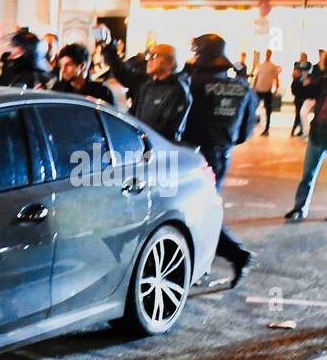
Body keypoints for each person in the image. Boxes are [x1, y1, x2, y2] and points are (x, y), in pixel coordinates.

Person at [184, 34, 257, 285]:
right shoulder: (243, 88)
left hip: (195, 154)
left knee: (195, 209)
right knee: (202, 208)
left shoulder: (194, 84)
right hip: (222, 153)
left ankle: (235, 254)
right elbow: (246, 129)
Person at [97, 32, 192, 141]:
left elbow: (168, 130)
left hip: (159, 149)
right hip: (140, 144)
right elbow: (121, 72)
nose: (148, 60)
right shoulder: (147, 82)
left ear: (170, 63)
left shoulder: (178, 90)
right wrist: (108, 47)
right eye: (148, 55)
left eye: (154, 56)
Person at [285, 65, 327, 220]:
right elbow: (302, 91)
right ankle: (300, 208)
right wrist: (298, 78)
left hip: (319, 134)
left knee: (308, 175)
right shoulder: (323, 82)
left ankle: (300, 208)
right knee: (307, 175)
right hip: (318, 135)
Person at [51, 43, 115, 105]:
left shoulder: (101, 92)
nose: (63, 70)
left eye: (68, 65)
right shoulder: (57, 90)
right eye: (61, 66)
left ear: (82, 66)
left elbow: (111, 114)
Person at [251, 49, 281, 136]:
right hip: (258, 89)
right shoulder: (260, 65)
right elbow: (257, 76)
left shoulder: (273, 66)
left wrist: (276, 89)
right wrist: (253, 86)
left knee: (268, 109)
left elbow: (276, 78)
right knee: (253, 107)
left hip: (267, 90)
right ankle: (250, 126)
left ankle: (267, 128)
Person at [290, 52, 313, 137]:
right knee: (298, 112)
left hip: (303, 91)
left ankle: (298, 129)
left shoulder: (308, 65)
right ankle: (298, 129)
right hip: (298, 89)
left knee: (300, 112)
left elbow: (307, 77)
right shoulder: (297, 64)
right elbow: (294, 75)